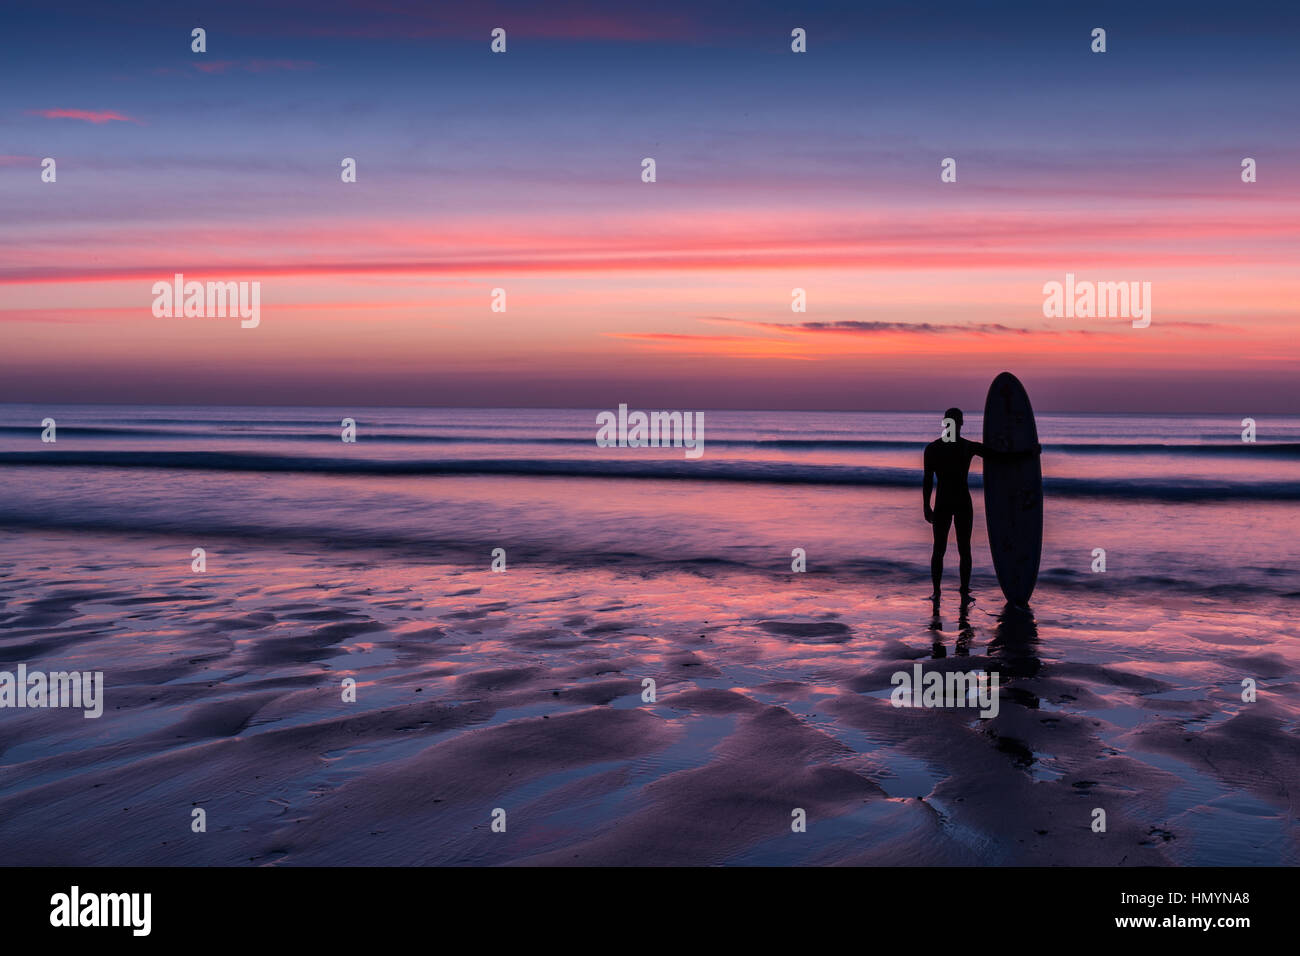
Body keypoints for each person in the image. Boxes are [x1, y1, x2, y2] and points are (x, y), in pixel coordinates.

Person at [923, 407, 1040, 606]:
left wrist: (1027, 453)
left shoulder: (947, 448)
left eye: (955, 421)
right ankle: (942, 591)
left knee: (959, 549)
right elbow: (927, 479)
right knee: (945, 549)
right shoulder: (946, 448)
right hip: (954, 502)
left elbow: (1000, 457)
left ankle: (956, 591)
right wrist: (926, 506)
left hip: (952, 502)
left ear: (958, 424)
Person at [923, 408, 982, 605]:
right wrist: (1027, 452)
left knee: (944, 549)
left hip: (944, 502)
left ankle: (939, 592)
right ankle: (959, 592)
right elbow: (998, 455)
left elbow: (927, 481)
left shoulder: (934, 448)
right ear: (962, 423)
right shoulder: (965, 447)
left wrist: (926, 506)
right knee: (959, 549)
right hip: (959, 502)